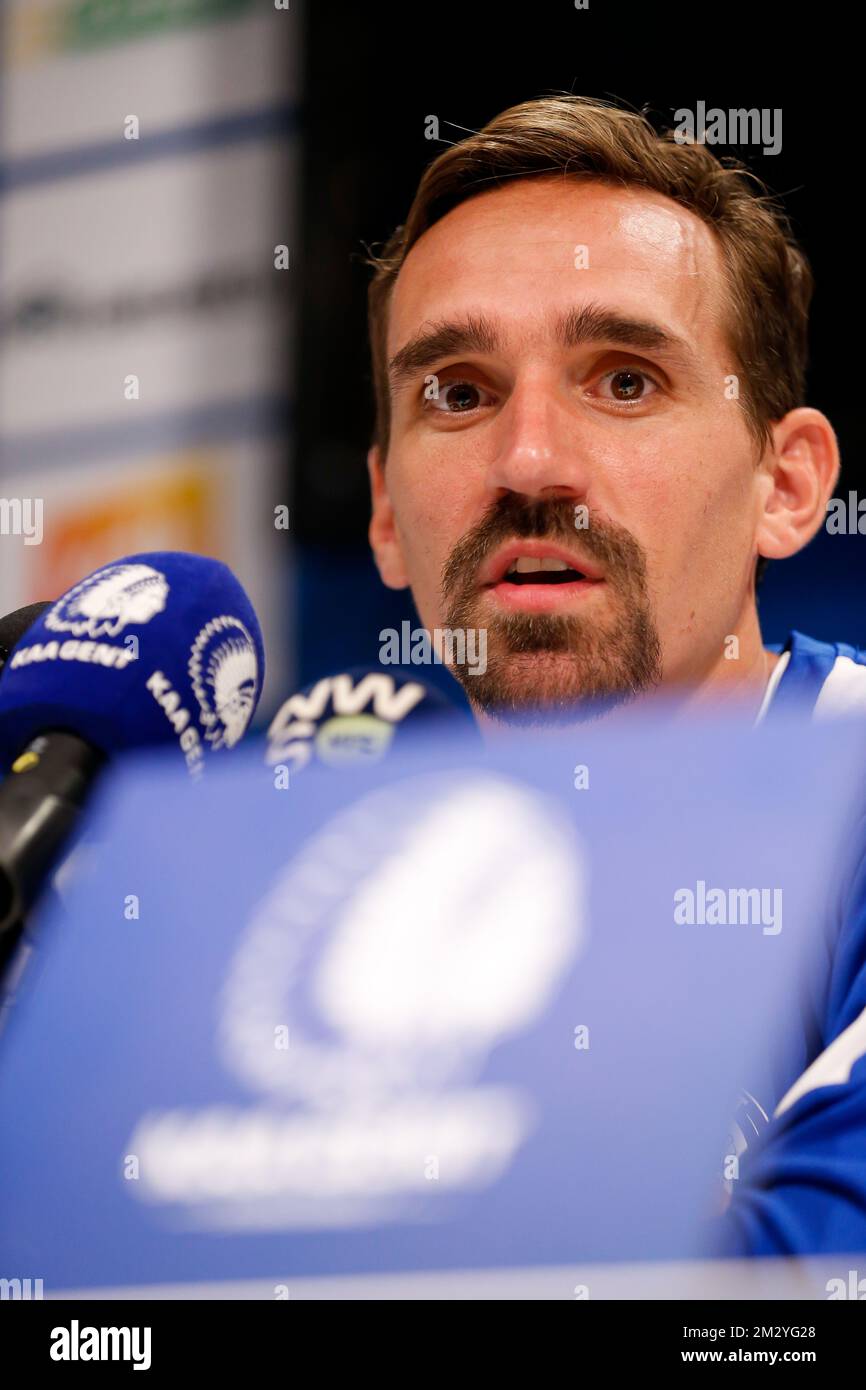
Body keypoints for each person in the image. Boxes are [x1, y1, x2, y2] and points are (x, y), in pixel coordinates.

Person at [363, 96, 866, 1256]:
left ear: (786, 485)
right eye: (458, 393)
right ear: (386, 514)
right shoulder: (323, 879)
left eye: (625, 381)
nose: (529, 462)